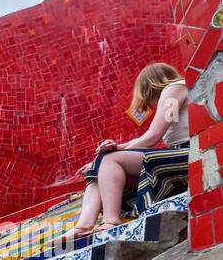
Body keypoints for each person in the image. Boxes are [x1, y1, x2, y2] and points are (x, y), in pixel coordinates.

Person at [58, 63, 189, 246]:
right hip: (178, 156)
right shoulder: (178, 94)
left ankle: (110, 221)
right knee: (100, 170)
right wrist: (113, 150)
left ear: (148, 86)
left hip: (190, 154)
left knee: (107, 161)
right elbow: (150, 138)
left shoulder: (173, 89)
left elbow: (152, 137)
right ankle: (83, 225)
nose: (150, 104)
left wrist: (113, 152)